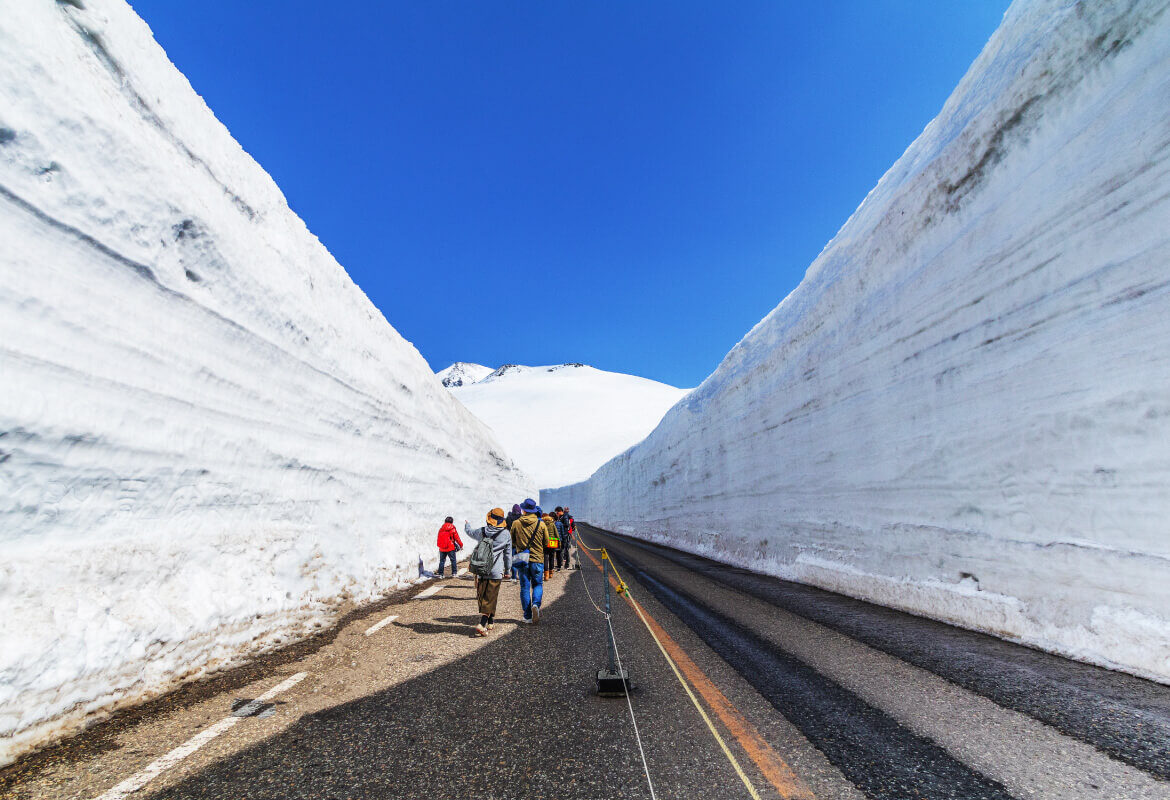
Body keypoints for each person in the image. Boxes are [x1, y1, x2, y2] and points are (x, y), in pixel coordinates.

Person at [464, 508, 511, 636]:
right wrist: (508, 570)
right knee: (491, 595)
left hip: (481, 568)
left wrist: (467, 525)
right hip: (496, 570)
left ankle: (490, 621)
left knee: (484, 595)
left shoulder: (482, 531)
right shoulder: (506, 534)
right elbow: (507, 554)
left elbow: (470, 532)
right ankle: (482, 623)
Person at [509, 498, 548, 623]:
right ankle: (536, 604)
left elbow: (512, 541)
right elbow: (546, 542)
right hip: (537, 559)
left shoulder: (516, 523)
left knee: (524, 587)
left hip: (522, 559)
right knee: (537, 584)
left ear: (524, 510)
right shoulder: (541, 524)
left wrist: (520, 546)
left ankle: (527, 616)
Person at [504, 503, 523, 580]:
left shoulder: (508, 518)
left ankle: (513, 575)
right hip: (520, 540)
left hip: (510, 540)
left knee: (511, 557)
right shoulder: (521, 518)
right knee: (519, 558)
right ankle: (519, 574)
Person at [542, 510, 559, 576]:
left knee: (545, 557)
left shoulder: (542, 524)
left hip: (545, 542)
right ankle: (551, 572)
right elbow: (556, 534)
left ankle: (546, 574)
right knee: (551, 557)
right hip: (552, 541)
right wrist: (559, 543)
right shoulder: (552, 524)